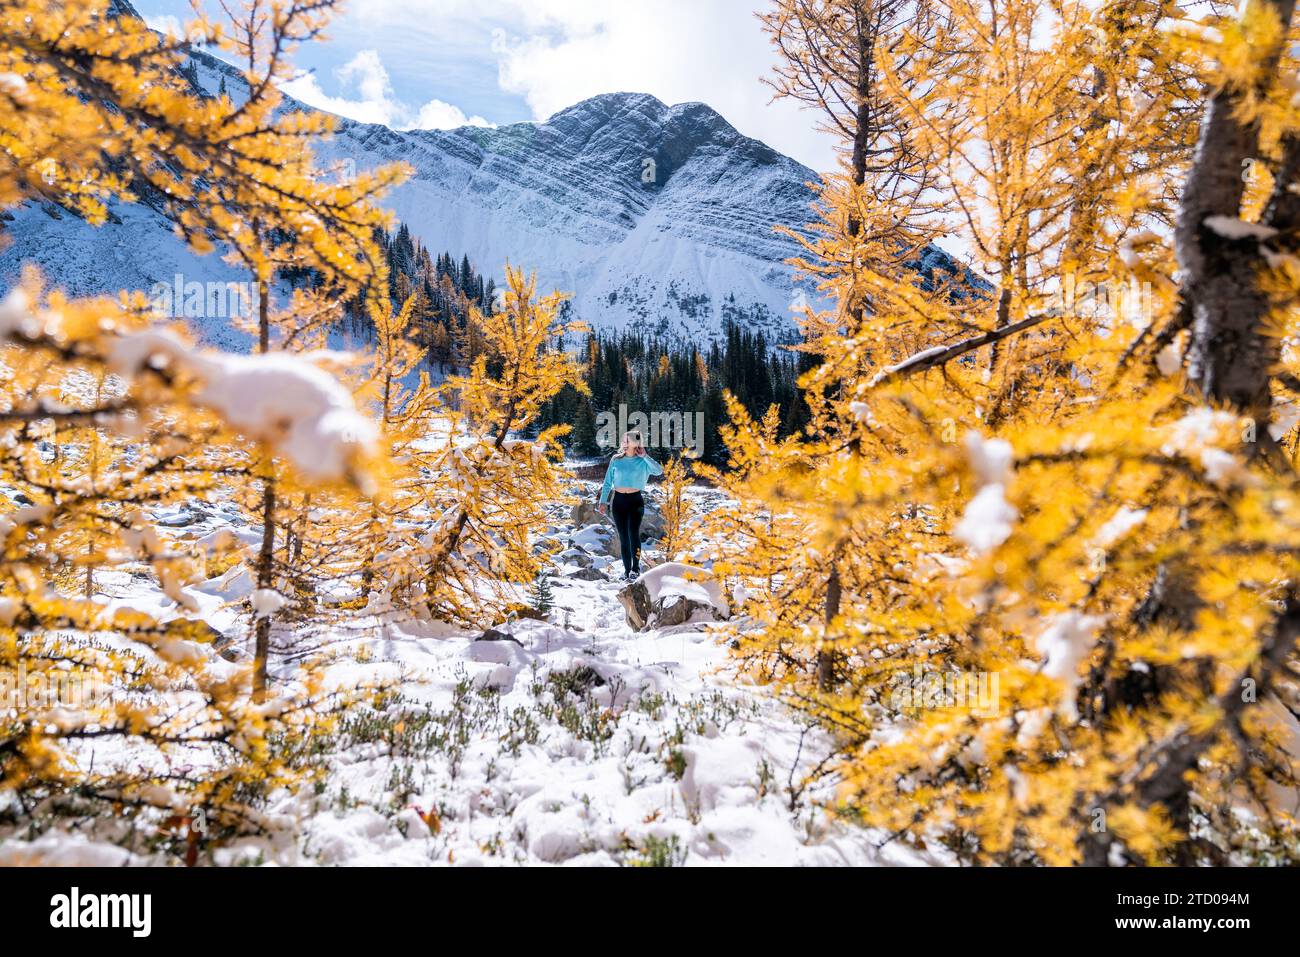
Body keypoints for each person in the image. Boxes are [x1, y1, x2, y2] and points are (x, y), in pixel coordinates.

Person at [597, 430, 662, 581]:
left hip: (635, 501)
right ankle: (626, 572)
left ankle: (635, 568)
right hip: (618, 501)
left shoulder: (643, 461)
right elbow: (607, 483)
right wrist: (603, 502)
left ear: (636, 443)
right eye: (623, 440)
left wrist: (645, 456)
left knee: (633, 534)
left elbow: (658, 471)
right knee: (624, 538)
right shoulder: (616, 459)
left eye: (627, 440)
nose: (624, 442)